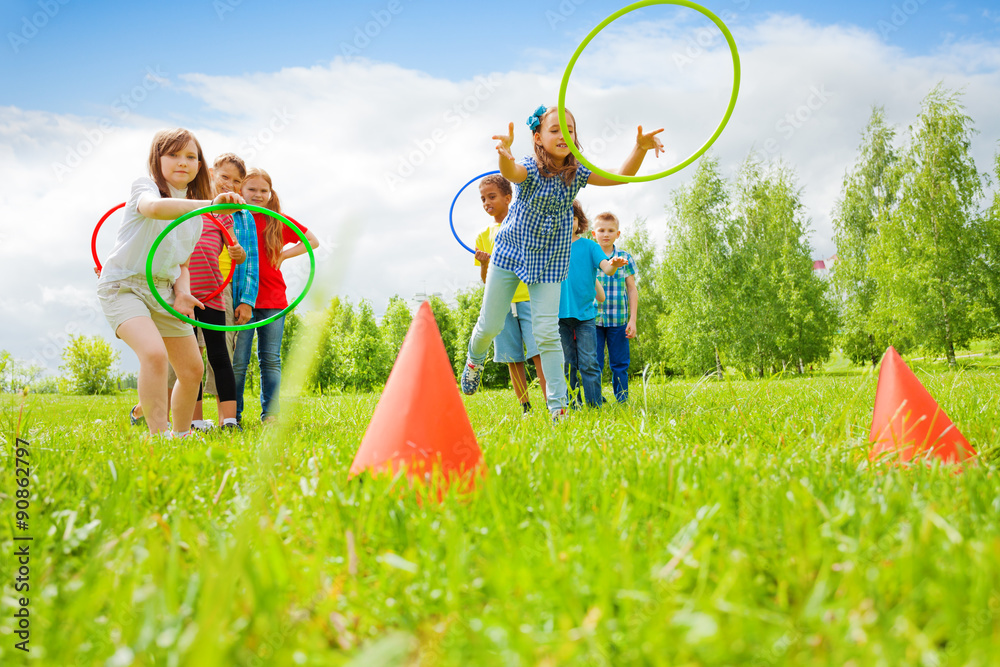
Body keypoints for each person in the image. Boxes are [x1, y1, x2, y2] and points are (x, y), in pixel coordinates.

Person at [460, 104, 663, 420]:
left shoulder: (577, 173)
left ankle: (558, 407)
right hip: (511, 252)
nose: (563, 135)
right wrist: (505, 152)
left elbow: (621, 177)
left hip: (550, 261)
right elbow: (510, 172)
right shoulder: (528, 166)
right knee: (491, 324)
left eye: (570, 130)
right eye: (555, 129)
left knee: (547, 334)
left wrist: (639, 147)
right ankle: (474, 360)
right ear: (538, 138)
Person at [96, 128, 243, 437]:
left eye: (191, 157)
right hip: (123, 286)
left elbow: (182, 262)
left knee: (192, 369)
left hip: (163, 291)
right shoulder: (145, 187)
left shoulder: (196, 214)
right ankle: (158, 436)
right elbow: (154, 209)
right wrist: (211, 205)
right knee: (153, 353)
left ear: (200, 166)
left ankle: (181, 435)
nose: (182, 162)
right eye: (173, 155)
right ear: (157, 159)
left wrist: (183, 293)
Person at [232, 167, 319, 423]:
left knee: (270, 359)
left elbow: (312, 241)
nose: (258, 195)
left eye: (263, 191)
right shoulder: (234, 217)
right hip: (242, 298)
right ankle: (232, 415)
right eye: (252, 189)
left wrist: (283, 254)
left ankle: (271, 414)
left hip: (273, 299)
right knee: (238, 360)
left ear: (270, 194)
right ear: (241, 191)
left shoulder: (276, 220)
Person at [474, 174, 547, 414]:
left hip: (528, 297)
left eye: (492, 196)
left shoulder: (522, 225)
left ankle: (551, 403)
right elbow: (486, 280)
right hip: (502, 304)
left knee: (539, 352)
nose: (487, 202)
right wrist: (485, 263)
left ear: (508, 197)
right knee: (511, 357)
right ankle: (526, 407)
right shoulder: (483, 236)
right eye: (483, 198)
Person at [560, 201, 624, 408]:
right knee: (568, 363)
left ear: (579, 221)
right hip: (559, 316)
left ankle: (594, 405)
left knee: (589, 362)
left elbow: (607, 268)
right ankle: (572, 404)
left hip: (585, 316)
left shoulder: (589, 246)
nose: (567, 220)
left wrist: (612, 264)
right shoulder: (551, 248)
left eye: (572, 216)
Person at [593, 211, 639, 403]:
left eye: (610, 230)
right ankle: (594, 398)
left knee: (619, 363)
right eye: (601, 230)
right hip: (592, 319)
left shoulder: (624, 257)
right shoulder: (590, 255)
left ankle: (622, 399)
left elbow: (632, 289)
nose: (606, 234)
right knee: (592, 363)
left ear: (617, 234)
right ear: (593, 234)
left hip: (618, 320)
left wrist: (633, 320)